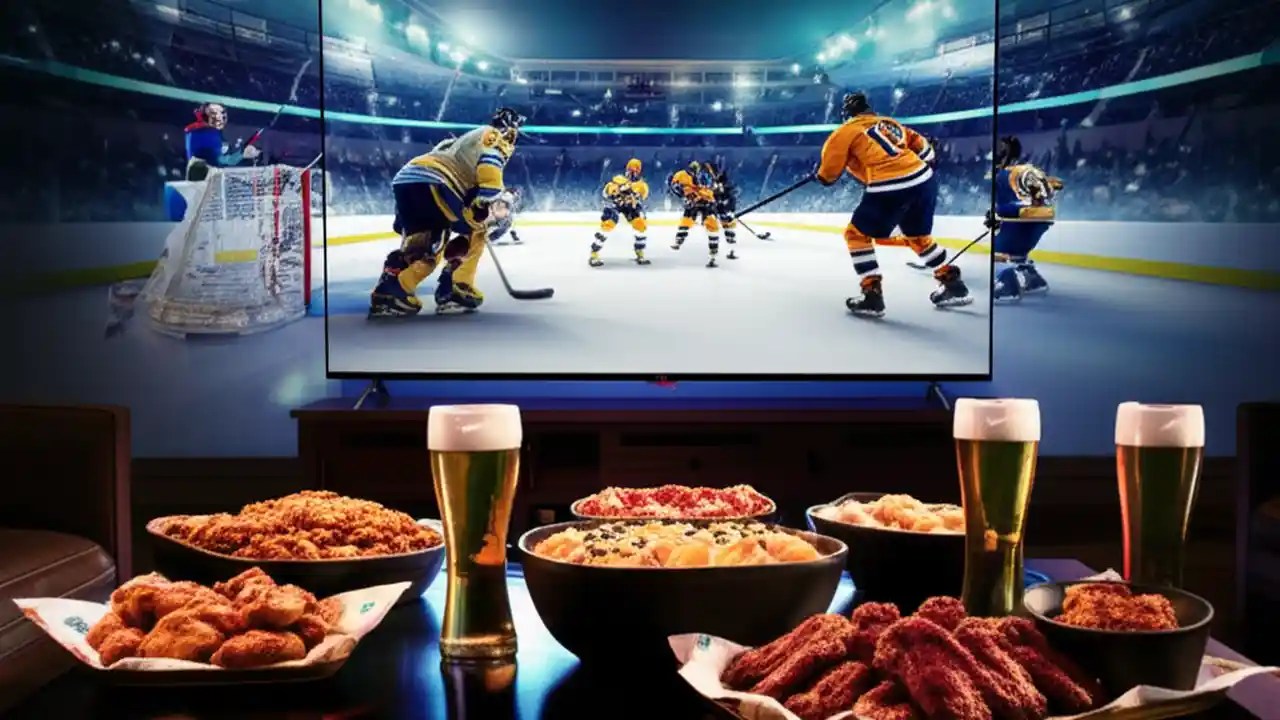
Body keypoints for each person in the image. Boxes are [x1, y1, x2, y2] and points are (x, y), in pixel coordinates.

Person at [816, 92, 971, 317]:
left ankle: (871, 293)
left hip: (890, 185)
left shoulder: (844, 132)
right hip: (924, 179)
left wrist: (820, 176)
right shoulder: (890, 123)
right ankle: (954, 285)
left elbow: (829, 175)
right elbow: (926, 150)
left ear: (847, 114)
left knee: (856, 235)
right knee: (917, 237)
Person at [369, 107, 524, 317]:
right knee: (477, 231)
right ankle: (456, 286)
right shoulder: (494, 135)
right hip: (439, 181)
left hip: (407, 180)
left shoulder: (458, 142)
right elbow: (490, 165)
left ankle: (393, 289)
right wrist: (486, 200)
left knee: (425, 243)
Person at [989, 136, 1062, 302]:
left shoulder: (1009, 173)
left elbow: (1014, 203)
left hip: (1024, 219)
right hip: (1041, 221)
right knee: (1018, 252)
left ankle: (1008, 286)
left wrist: (998, 212)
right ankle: (1033, 281)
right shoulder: (1024, 170)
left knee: (999, 250)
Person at [590, 158, 651, 267]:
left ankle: (640, 252)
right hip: (615, 204)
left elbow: (642, 197)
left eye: (636, 170)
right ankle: (594, 253)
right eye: (631, 170)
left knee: (640, 224)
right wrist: (616, 193)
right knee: (608, 224)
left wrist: (633, 195)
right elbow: (606, 192)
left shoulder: (641, 185)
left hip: (630, 206)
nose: (632, 172)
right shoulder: (617, 180)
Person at [184, 103, 261, 181]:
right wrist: (242, 154)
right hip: (203, 182)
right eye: (214, 113)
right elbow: (222, 161)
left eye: (222, 113)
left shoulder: (215, 133)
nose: (220, 117)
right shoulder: (203, 132)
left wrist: (242, 154)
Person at [668, 161, 722, 268]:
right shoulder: (682, 175)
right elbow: (675, 186)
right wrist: (684, 196)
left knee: (711, 226)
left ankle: (713, 254)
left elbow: (712, 189)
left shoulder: (706, 176)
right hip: (693, 202)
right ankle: (679, 240)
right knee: (686, 221)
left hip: (706, 203)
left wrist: (713, 194)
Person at [709, 163, 740, 260]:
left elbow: (731, 200)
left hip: (724, 212)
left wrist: (731, 212)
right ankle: (714, 254)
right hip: (717, 212)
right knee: (714, 233)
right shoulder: (712, 186)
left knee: (729, 231)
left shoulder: (728, 190)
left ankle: (731, 251)